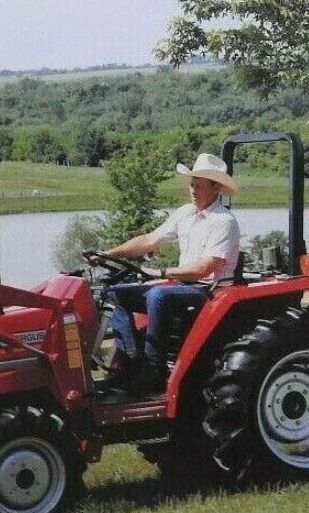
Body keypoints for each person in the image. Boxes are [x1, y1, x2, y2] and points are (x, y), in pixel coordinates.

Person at [94, 153, 240, 393]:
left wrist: (159, 272)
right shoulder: (186, 213)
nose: (193, 190)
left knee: (158, 295)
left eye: (199, 186)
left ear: (216, 188)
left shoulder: (224, 221)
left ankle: (154, 371)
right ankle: (130, 364)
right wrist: (108, 254)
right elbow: (150, 240)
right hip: (183, 285)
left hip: (209, 289)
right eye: (191, 184)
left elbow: (204, 269)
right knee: (115, 293)